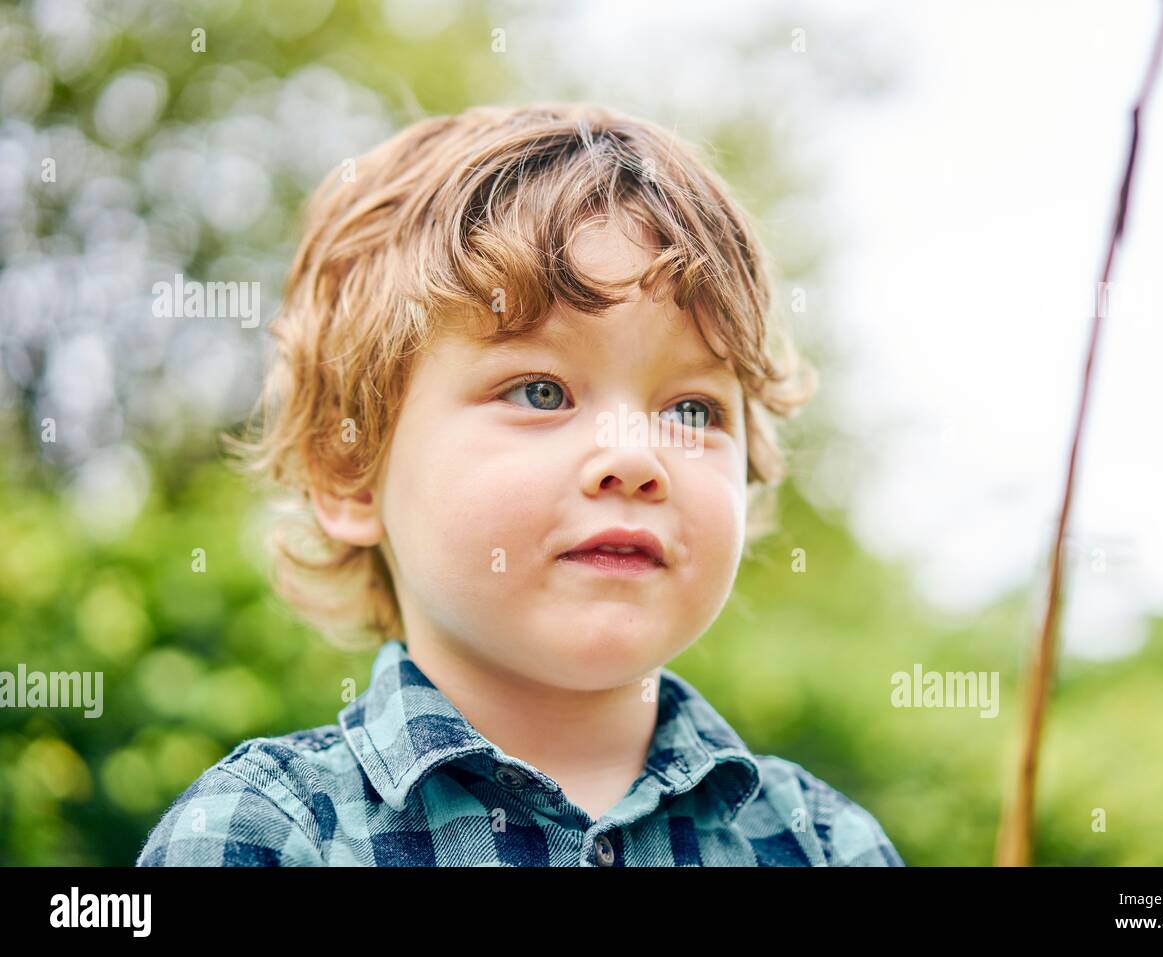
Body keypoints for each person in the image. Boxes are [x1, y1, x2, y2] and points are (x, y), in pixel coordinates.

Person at [135, 102, 903, 867]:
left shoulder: (825, 844)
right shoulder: (263, 835)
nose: (636, 459)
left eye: (692, 408)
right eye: (541, 391)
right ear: (350, 473)